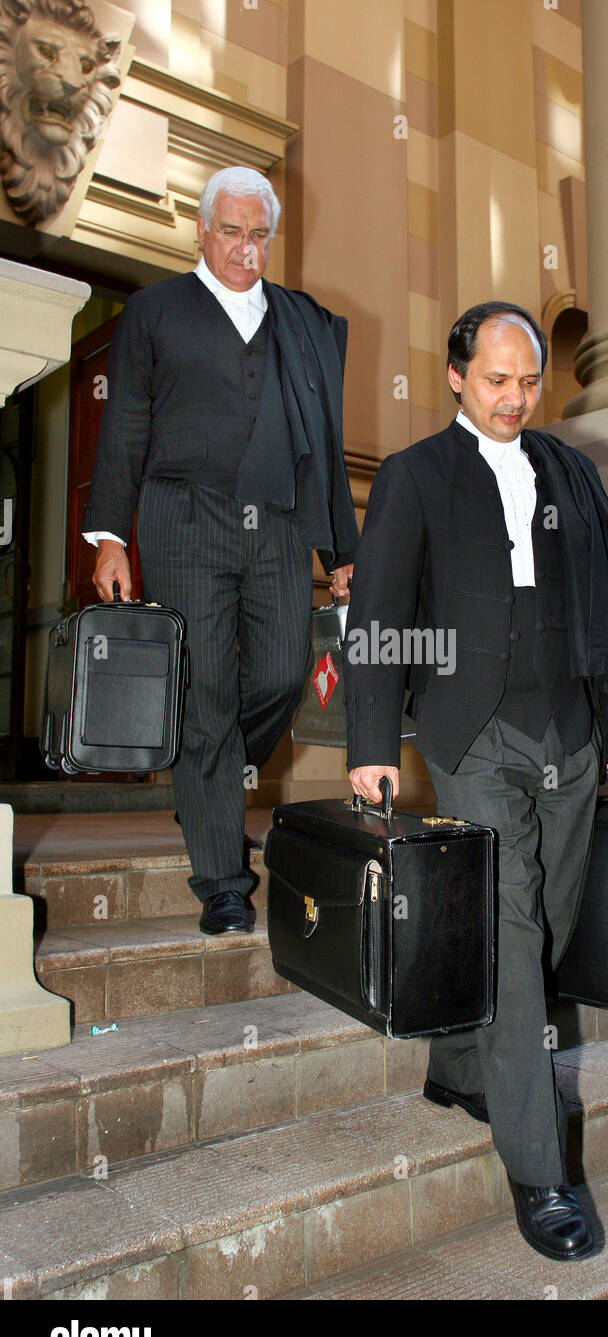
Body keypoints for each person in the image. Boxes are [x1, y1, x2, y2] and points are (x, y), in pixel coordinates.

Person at [344, 301, 608, 1261]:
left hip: (567, 725)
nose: (516, 398)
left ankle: (457, 1063)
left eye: (529, 382)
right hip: (471, 728)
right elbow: (381, 614)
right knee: (514, 926)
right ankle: (541, 1173)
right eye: (496, 380)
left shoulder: (568, 470)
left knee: (549, 920)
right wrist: (370, 742)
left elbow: (603, 599)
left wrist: (607, 723)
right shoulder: (416, 475)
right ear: (454, 376)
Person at [83, 166, 359, 935]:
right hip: (183, 517)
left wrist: (339, 547)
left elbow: (324, 448)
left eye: (259, 234)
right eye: (232, 231)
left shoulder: (299, 322)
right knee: (205, 693)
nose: (245, 248)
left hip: (272, 521)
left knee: (278, 670)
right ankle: (222, 882)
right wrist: (110, 535)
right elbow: (125, 426)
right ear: (202, 232)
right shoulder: (154, 313)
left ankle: (203, 782)